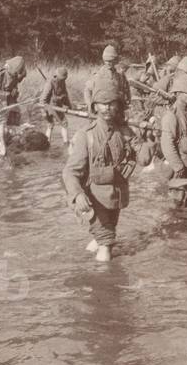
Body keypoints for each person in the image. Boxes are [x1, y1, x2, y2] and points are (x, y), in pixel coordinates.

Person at [62, 78, 148, 262]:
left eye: (111, 103)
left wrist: (143, 139)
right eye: (102, 103)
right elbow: (70, 172)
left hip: (116, 198)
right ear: (95, 106)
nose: (107, 108)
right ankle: (105, 278)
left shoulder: (124, 132)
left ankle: (82, 262)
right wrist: (77, 195)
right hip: (93, 199)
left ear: (118, 106)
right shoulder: (86, 135)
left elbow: (144, 160)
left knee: (106, 237)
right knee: (106, 243)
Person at [158, 74, 187, 205]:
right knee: (178, 198)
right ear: (178, 94)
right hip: (178, 165)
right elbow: (167, 145)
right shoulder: (171, 116)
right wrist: (178, 167)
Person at [0, 56, 26, 155]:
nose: (16, 74)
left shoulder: (15, 76)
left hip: (7, 103)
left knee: (5, 124)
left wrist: (15, 91)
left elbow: (18, 81)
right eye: (16, 72)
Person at [83, 44, 131, 112]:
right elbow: (87, 90)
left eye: (111, 61)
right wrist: (89, 105)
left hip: (110, 107)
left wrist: (126, 103)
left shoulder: (120, 76)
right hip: (103, 107)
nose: (109, 63)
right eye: (107, 61)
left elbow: (126, 90)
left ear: (115, 61)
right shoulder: (97, 75)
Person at [38, 67, 72, 149]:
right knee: (63, 123)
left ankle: (47, 144)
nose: (62, 80)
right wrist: (43, 112)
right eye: (61, 78)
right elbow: (42, 99)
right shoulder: (49, 83)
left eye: (64, 79)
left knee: (51, 125)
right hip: (50, 106)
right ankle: (65, 143)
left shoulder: (62, 83)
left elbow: (65, 95)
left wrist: (68, 105)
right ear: (56, 76)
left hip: (57, 106)